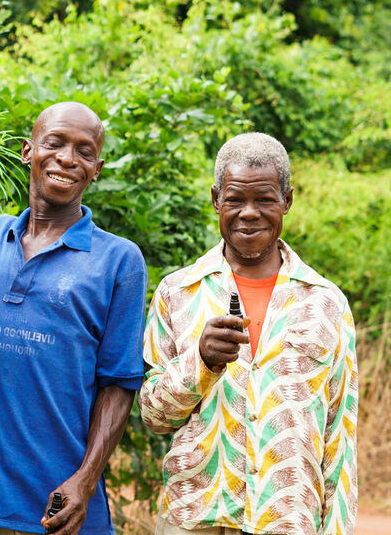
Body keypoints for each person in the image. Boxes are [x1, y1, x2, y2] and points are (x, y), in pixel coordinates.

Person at [0, 102, 147, 535]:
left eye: (84, 151)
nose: (68, 159)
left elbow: (119, 383)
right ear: (27, 151)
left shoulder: (118, 261)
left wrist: (85, 481)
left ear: (97, 168)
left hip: (59, 506)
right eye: (55, 143)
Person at [140, 132, 357, 535]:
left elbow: (339, 434)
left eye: (265, 200)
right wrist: (200, 362)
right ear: (215, 200)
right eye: (236, 200)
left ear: (287, 201)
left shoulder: (326, 303)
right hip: (194, 515)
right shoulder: (177, 292)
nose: (249, 213)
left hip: (287, 518)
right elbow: (153, 416)